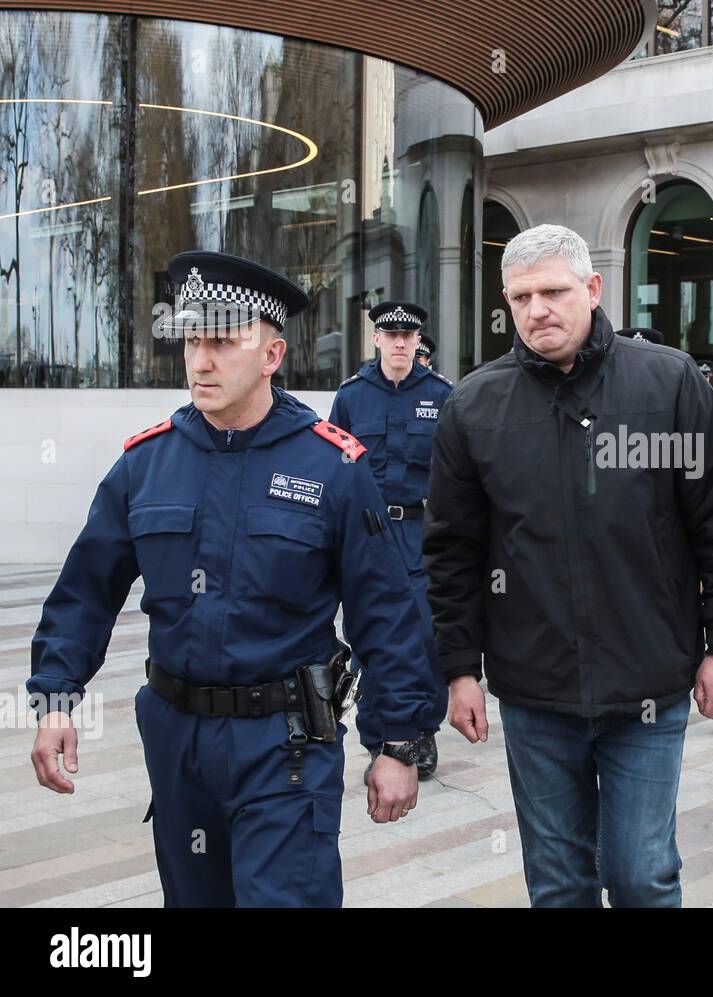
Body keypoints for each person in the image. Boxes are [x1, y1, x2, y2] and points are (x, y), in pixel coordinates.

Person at [28, 251, 427, 907]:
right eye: (191, 340)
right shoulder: (146, 463)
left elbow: (385, 613)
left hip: (287, 742)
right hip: (178, 741)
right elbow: (84, 592)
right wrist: (53, 698)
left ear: (271, 355)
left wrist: (400, 742)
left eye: (221, 341)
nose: (200, 360)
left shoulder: (333, 467)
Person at [423, 224, 713, 907]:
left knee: (641, 875)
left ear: (593, 289)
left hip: (649, 680)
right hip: (534, 688)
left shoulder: (667, 384)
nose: (537, 309)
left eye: (553, 291)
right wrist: (459, 667)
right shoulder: (475, 406)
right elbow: (452, 551)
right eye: (521, 297)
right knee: (559, 883)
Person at [329, 301, 454, 781]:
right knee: (368, 637)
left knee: (425, 635)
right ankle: (379, 736)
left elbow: (456, 472)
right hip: (367, 533)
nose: (401, 342)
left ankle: (422, 732)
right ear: (376, 339)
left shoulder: (443, 395)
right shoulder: (352, 397)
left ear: (419, 340)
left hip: (421, 532)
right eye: (391, 334)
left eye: (409, 335)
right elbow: (336, 468)